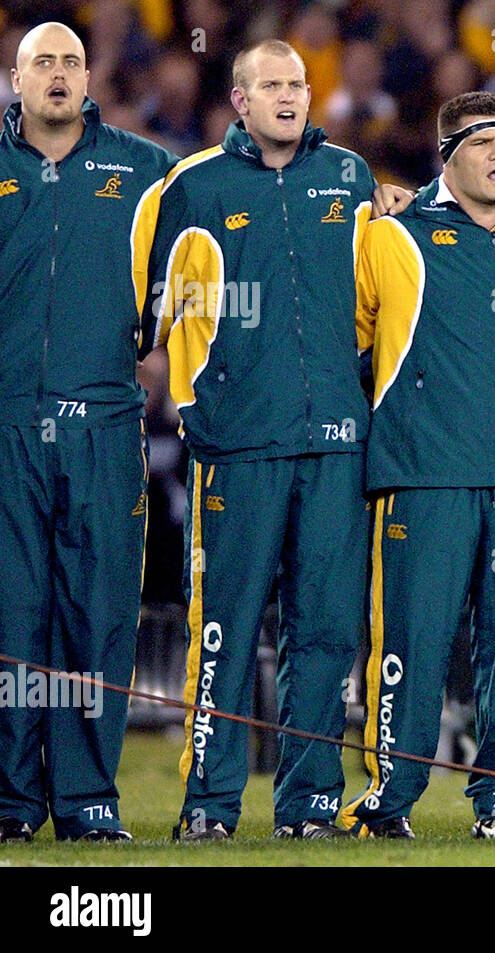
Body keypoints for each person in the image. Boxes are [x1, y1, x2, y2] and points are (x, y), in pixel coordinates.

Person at [143, 39, 381, 841]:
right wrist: (195, 401)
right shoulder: (193, 187)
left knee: (324, 632)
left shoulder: (350, 178)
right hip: (238, 447)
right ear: (239, 102)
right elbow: (147, 313)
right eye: (271, 85)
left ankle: (309, 806)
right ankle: (209, 808)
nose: (289, 96)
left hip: (337, 442)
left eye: (299, 83)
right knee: (226, 629)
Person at [337, 91, 495, 839]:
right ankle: (389, 799)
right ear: (447, 154)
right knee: (413, 642)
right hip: (425, 472)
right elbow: (349, 342)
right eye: (484, 144)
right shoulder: (390, 236)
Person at [0, 22, 175, 844]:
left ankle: (86, 799)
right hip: (4, 425)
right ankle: (8, 799)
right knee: (12, 614)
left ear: (89, 75)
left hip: (105, 423)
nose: (60, 75)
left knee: (97, 612)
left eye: (72, 61)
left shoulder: (145, 170)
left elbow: (214, 250)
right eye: (44, 63)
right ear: (16, 78)